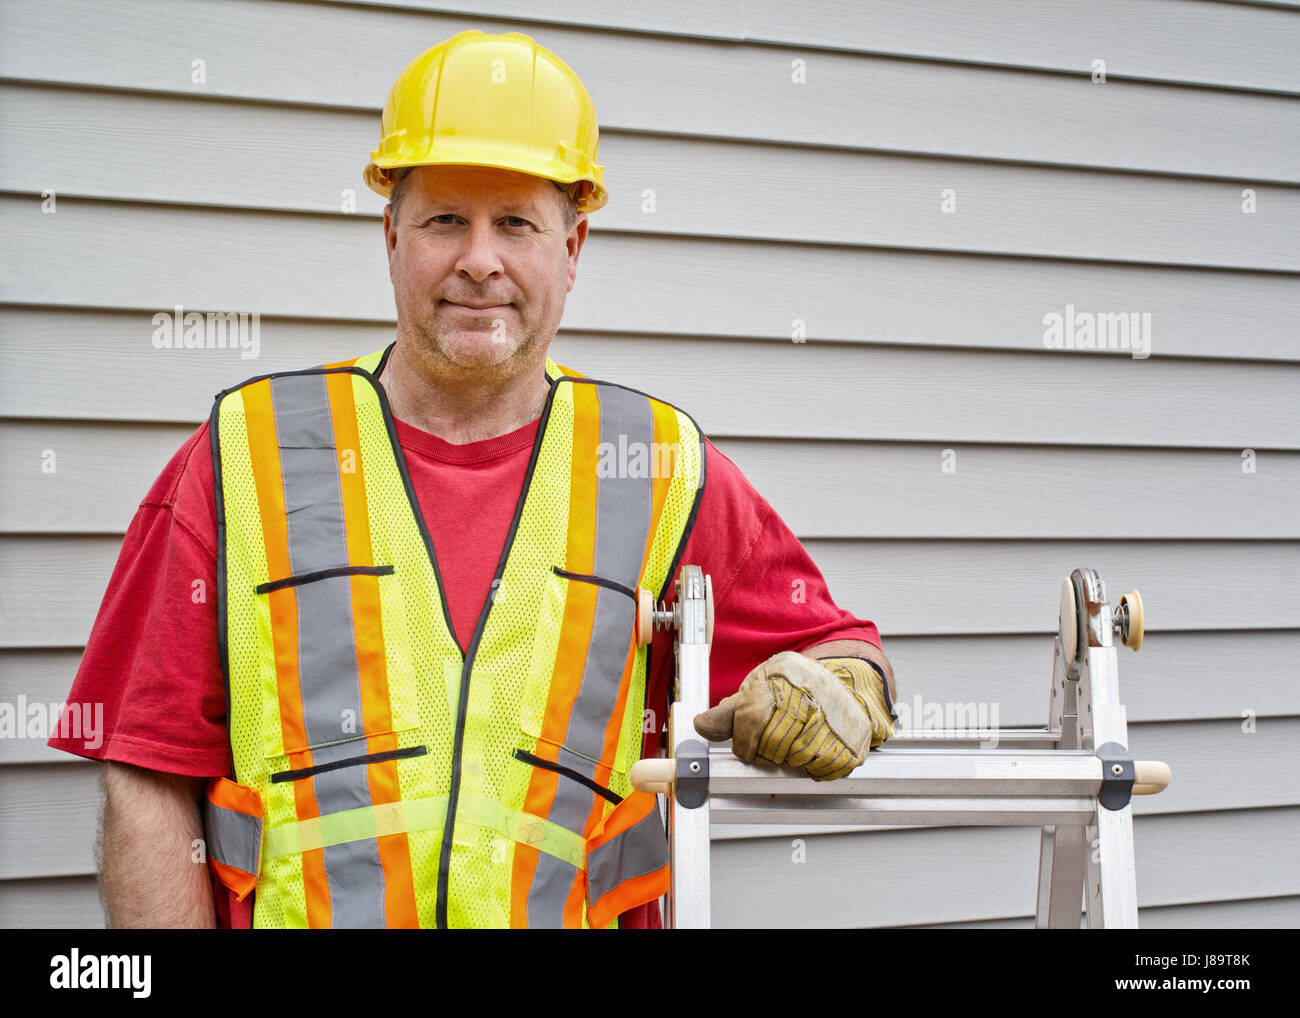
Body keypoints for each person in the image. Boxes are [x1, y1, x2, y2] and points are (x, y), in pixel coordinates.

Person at [48, 29, 898, 929]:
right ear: (391, 236)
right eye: (446, 219)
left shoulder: (655, 464)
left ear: (573, 249)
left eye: (517, 224)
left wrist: (836, 689)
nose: (479, 261)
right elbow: (146, 772)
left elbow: (847, 649)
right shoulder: (244, 455)